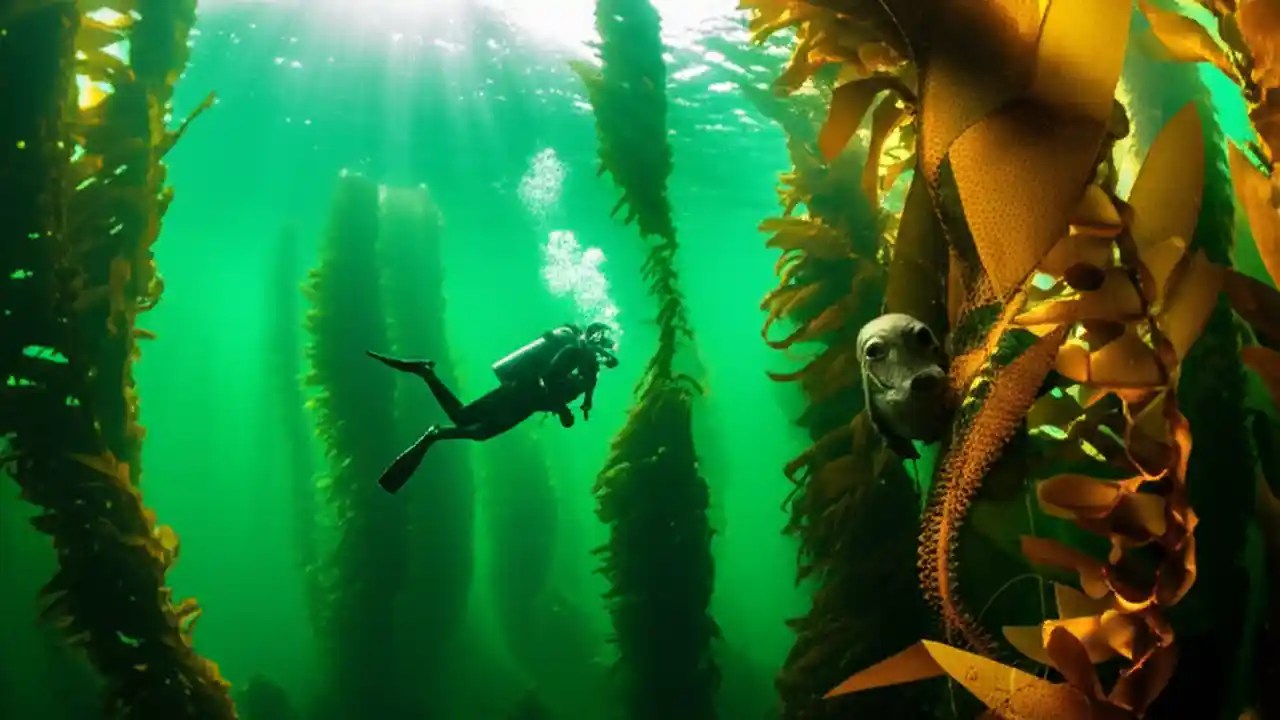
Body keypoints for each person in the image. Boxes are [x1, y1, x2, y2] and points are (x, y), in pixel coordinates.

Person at [367, 322, 620, 494]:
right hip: (519, 395)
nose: (603, 355)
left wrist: (585, 402)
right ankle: (434, 425)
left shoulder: (588, 368)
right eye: (603, 347)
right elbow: (550, 377)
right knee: (474, 427)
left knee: (466, 420)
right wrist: (562, 409)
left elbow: (587, 387)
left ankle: (428, 380)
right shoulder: (572, 351)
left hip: (523, 400)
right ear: (595, 339)